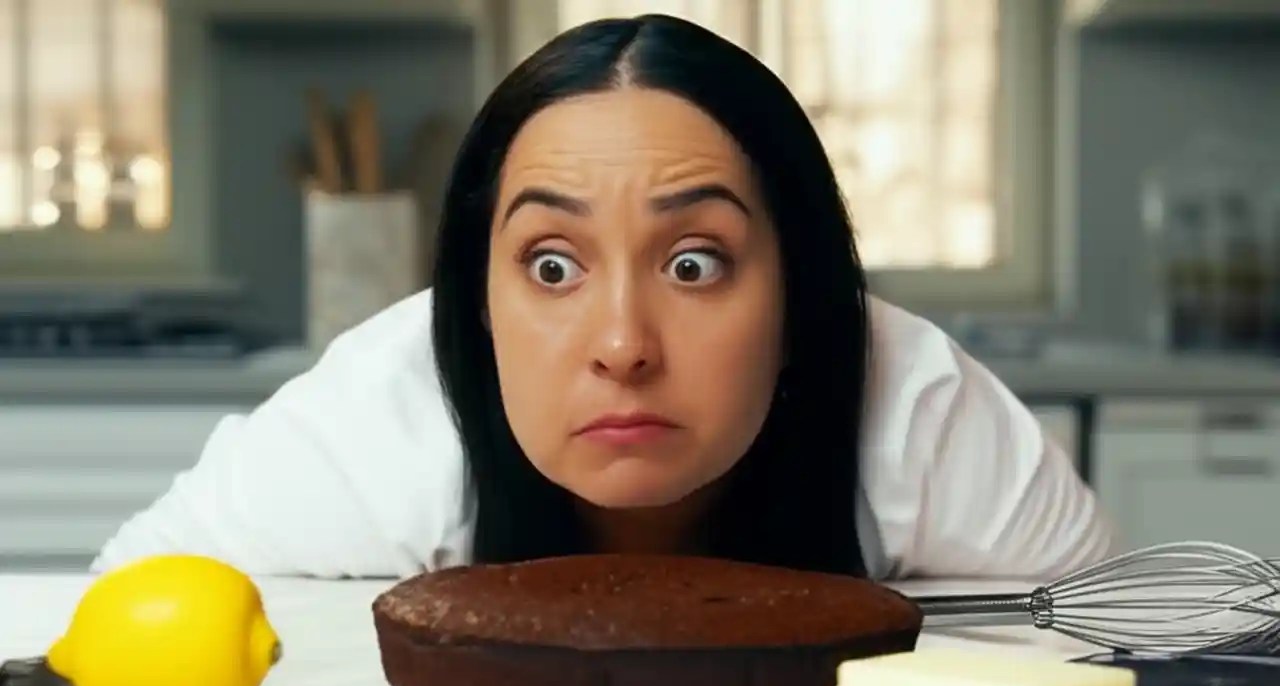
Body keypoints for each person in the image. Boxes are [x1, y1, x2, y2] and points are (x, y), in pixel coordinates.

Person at [92, 14, 1113, 581]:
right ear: (474, 302)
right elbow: (120, 618)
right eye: (550, 266)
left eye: (693, 263)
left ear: (798, 297)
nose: (622, 344)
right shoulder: (381, 416)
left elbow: (1119, 651)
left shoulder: (919, 413)